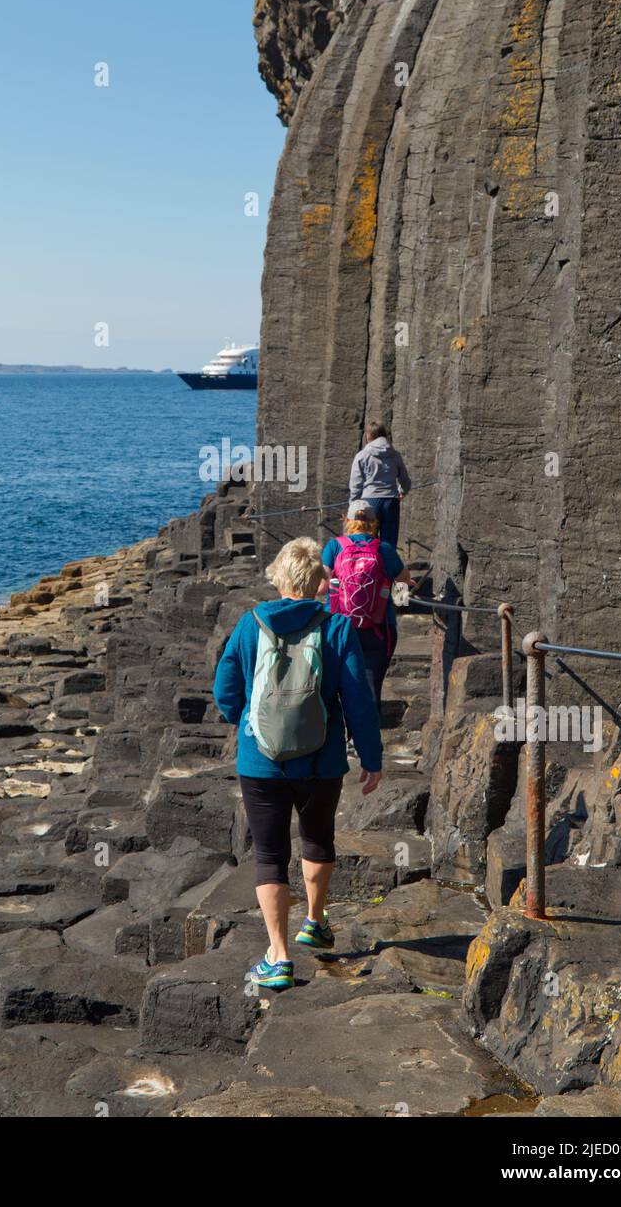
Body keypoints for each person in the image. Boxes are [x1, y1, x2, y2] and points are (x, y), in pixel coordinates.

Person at [213, 536, 382, 992]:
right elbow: (359, 701)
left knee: (269, 855)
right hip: (321, 760)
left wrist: (245, 720)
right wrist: (372, 757)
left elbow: (225, 691)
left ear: (280, 577)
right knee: (317, 838)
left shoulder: (250, 625)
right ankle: (315, 919)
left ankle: (279, 957)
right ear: (318, 583)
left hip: (261, 760)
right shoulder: (339, 628)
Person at [321, 501, 413, 707]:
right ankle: (369, 731)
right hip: (378, 625)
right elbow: (403, 582)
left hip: (338, 625)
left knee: (337, 683)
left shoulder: (334, 546)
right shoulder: (384, 549)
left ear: (347, 521)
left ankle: (344, 731)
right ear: (374, 523)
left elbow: (321, 585)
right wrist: (399, 603)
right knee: (371, 686)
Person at [348, 421, 411, 549]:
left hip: (369, 502)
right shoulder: (395, 455)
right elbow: (405, 480)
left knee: (367, 542)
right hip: (391, 502)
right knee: (389, 545)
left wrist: (353, 505)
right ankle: (388, 568)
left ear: (368, 435)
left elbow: (355, 485)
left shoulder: (362, 456)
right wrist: (402, 492)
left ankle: (370, 568)